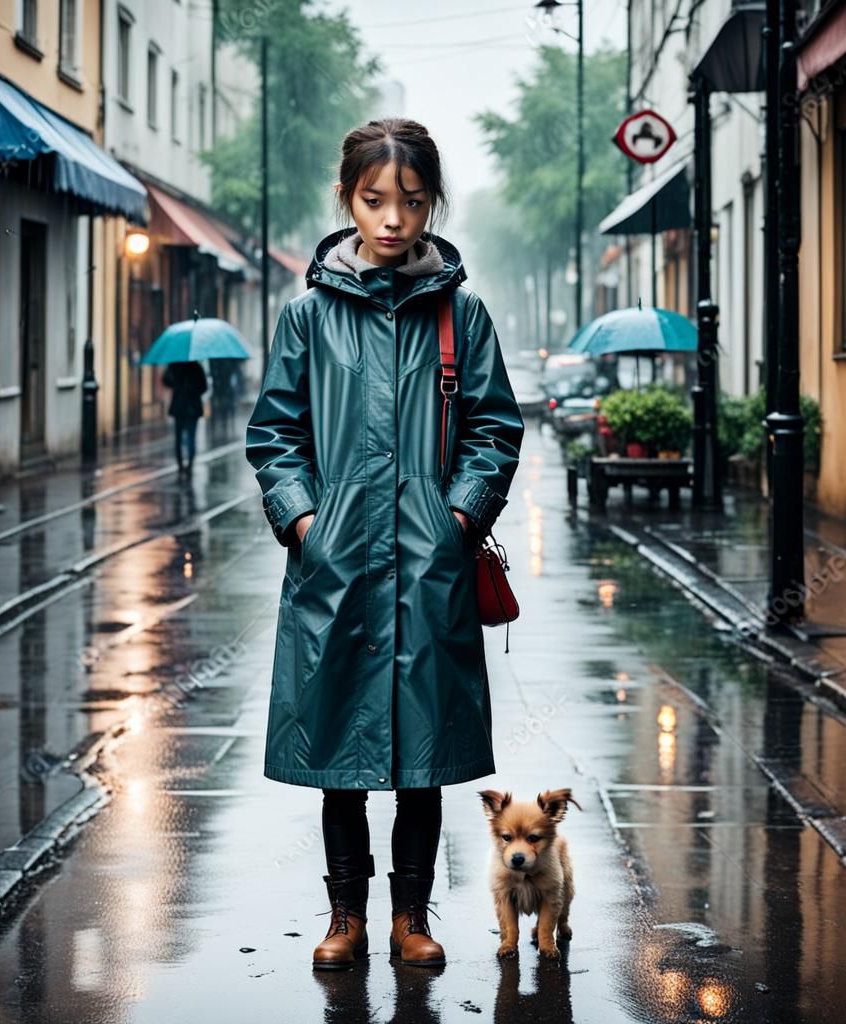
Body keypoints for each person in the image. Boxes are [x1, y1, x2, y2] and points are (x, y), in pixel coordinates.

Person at [245, 118, 525, 971]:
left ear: (431, 203)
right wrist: (304, 523)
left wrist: (459, 520)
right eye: (375, 200)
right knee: (339, 756)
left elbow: (494, 427)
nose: (393, 219)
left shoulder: (461, 313)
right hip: (334, 569)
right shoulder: (307, 316)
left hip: (429, 567)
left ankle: (411, 917)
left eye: (410, 201)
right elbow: (274, 435)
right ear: (347, 199)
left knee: (421, 761)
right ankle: (345, 919)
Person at [162, 360, 208, 477]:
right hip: (192, 407)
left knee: (179, 438)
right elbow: (204, 387)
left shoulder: (174, 365)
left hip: (180, 407)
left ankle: (181, 465)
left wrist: (178, 384)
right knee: (190, 437)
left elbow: (166, 380)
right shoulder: (196, 367)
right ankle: (189, 465)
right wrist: (193, 389)